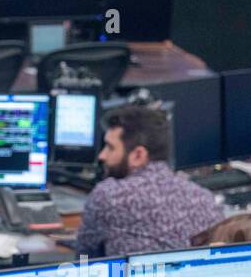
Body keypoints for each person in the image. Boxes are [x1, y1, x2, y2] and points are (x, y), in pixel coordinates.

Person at [75, 105, 223, 257]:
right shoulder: (204, 197)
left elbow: (84, 259)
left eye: (110, 148)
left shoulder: (109, 195)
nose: (102, 155)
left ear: (138, 155)